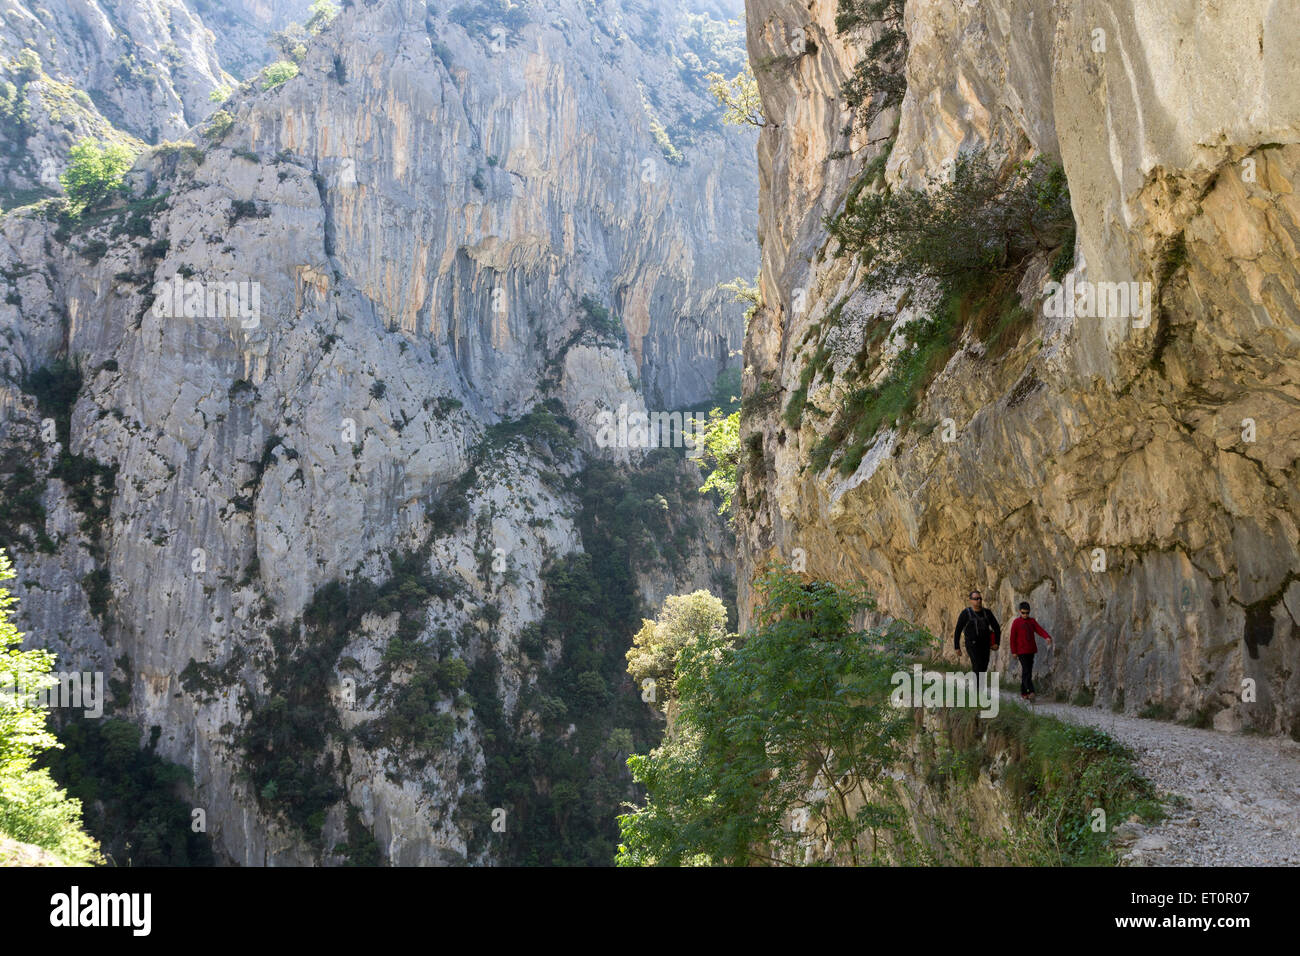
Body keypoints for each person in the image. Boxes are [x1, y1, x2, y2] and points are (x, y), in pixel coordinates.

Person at [1008, 601, 1053, 699]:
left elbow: (1039, 630)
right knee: (1026, 671)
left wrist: (1047, 637)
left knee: (1027, 671)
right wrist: (1014, 651)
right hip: (1021, 651)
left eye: (1027, 613)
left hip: (1031, 650)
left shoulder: (1032, 621)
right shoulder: (1016, 622)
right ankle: (1031, 691)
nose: (1025, 615)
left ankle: (1024, 693)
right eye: (1023, 613)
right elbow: (1012, 638)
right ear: (1020, 612)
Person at [953, 590, 1000, 684]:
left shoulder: (987, 613)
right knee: (977, 665)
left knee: (984, 666)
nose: (978, 600)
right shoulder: (965, 613)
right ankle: (977, 690)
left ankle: (980, 689)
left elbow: (996, 627)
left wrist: (996, 643)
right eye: (976, 599)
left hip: (985, 644)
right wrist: (957, 647)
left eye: (980, 598)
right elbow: (958, 630)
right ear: (970, 600)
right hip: (972, 644)